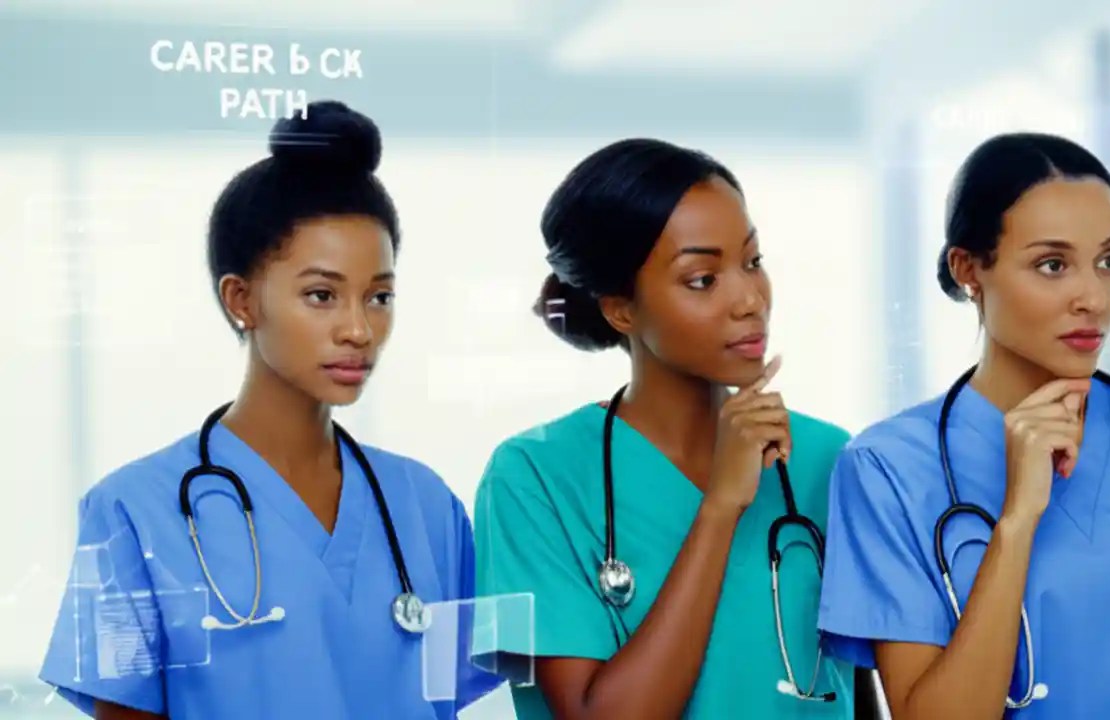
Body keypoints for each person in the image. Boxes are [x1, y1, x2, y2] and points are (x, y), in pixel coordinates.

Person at [38, 100, 501, 719]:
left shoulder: (427, 506)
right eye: (321, 295)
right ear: (241, 300)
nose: (360, 329)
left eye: (380, 296)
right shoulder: (131, 512)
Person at [817, 131, 1110, 719]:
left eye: (1109, 261)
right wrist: (1016, 522)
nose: (1093, 296)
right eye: (1052, 265)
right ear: (968, 270)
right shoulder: (887, 469)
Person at [471, 138, 880, 719]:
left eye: (753, 261)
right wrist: (720, 507)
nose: (749, 299)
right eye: (702, 279)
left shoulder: (828, 458)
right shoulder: (534, 477)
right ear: (621, 309)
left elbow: (856, 694)